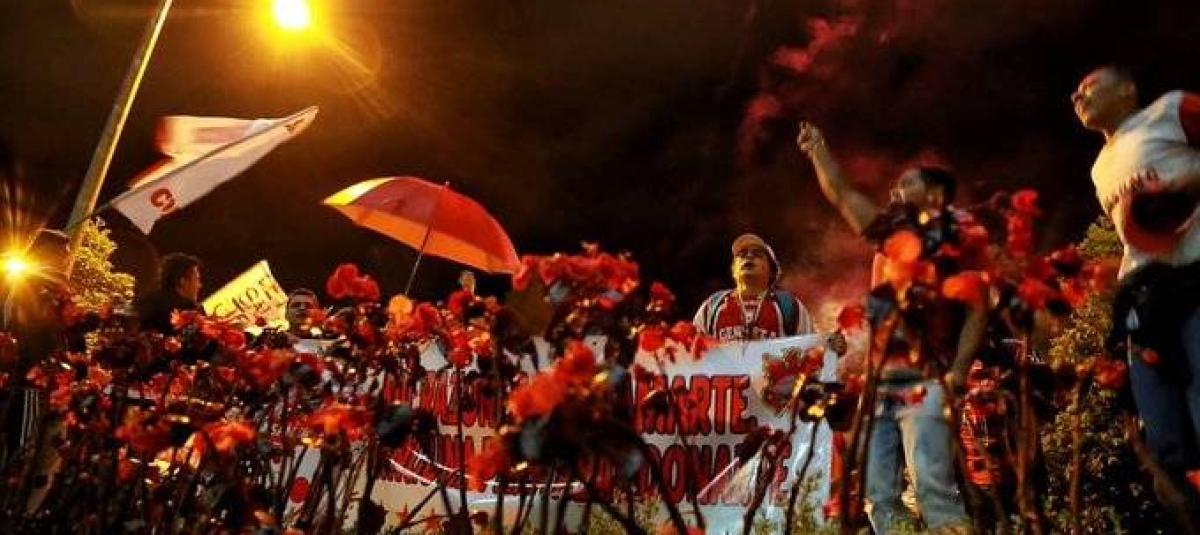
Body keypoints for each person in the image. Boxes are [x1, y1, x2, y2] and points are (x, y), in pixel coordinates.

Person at [798, 123, 982, 534]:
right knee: (878, 496)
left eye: (907, 183)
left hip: (927, 378)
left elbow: (977, 308)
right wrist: (819, 153)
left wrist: (958, 370)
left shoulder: (958, 239)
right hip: (881, 384)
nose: (894, 191)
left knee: (934, 488)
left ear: (935, 195)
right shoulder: (891, 237)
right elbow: (845, 197)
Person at [1072, 65, 1200, 523]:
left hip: (1194, 280)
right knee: (1166, 441)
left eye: (1088, 86)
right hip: (1145, 301)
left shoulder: (1171, 110)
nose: (1076, 95)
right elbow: (1131, 237)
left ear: (1127, 87)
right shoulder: (1100, 168)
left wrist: (1182, 188)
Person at [693, 233, 816, 342]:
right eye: (742, 255)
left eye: (757, 255)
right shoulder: (712, 306)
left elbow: (810, 349)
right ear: (733, 270)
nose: (749, 257)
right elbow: (691, 352)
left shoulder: (790, 306)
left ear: (772, 271)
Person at [135, 253, 203, 334]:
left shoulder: (143, 303)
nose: (200, 286)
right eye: (197, 279)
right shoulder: (191, 311)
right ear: (182, 281)